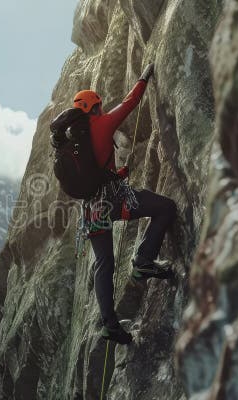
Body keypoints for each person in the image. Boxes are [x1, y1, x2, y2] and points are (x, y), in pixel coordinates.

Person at [75, 64, 178, 344]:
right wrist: (144, 77)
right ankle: (143, 260)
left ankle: (110, 324)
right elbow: (129, 103)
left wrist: (116, 174)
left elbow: (91, 173)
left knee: (104, 263)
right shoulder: (101, 123)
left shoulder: (75, 141)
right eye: (98, 106)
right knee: (165, 207)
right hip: (113, 201)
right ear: (95, 108)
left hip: (91, 210)